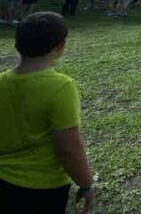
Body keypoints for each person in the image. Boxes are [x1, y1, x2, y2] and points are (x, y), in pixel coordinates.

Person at [0, 12, 97, 213]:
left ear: (18, 44)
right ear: (61, 46)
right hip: (41, 187)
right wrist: (87, 184)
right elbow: (68, 149)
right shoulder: (61, 87)